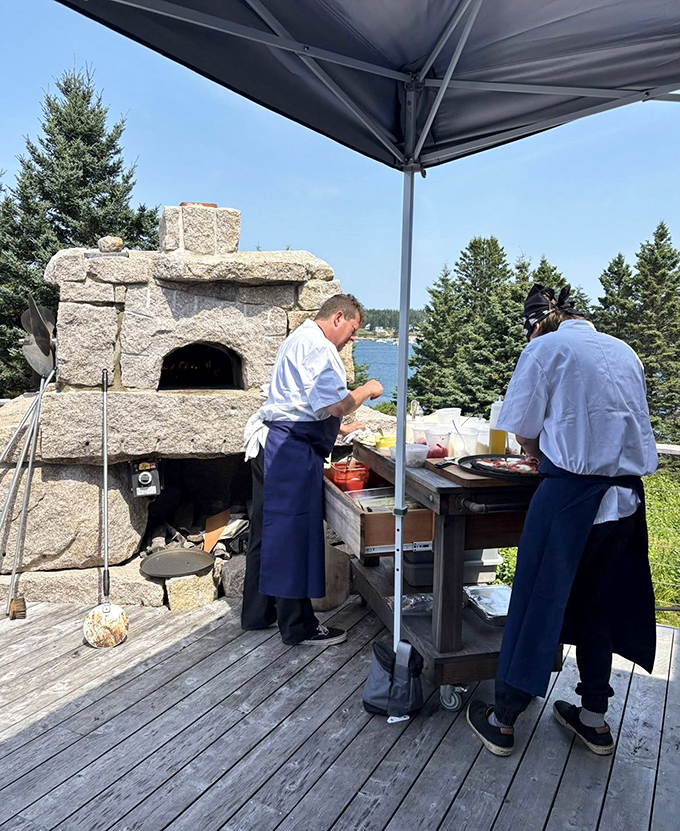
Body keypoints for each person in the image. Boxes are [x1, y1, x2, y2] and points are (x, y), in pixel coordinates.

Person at [466, 284, 658, 757]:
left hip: (570, 495)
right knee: (599, 606)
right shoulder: (624, 350)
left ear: (536, 326)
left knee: (535, 602)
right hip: (625, 501)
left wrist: (538, 453)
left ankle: (503, 719)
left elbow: (523, 432)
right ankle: (594, 719)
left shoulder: (544, 349)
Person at [241, 294, 383, 646]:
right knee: (292, 536)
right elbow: (335, 405)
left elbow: (302, 402)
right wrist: (366, 389)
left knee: (267, 532)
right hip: (289, 451)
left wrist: (342, 429)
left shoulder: (297, 338)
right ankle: (298, 626)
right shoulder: (320, 348)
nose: (352, 338)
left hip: (270, 443)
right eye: (352, 329)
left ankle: (258, 613)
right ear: (338, 317)